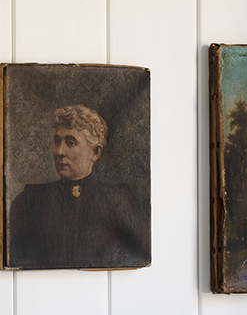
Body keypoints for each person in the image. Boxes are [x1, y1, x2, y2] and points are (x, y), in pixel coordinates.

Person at [6, 104, 146, 269]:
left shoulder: (119, 201)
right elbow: (17, 260)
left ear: (96, 152)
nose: (59, 151)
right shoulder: (30, 200)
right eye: (57, 141)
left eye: (70, 142)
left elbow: (136, 256)